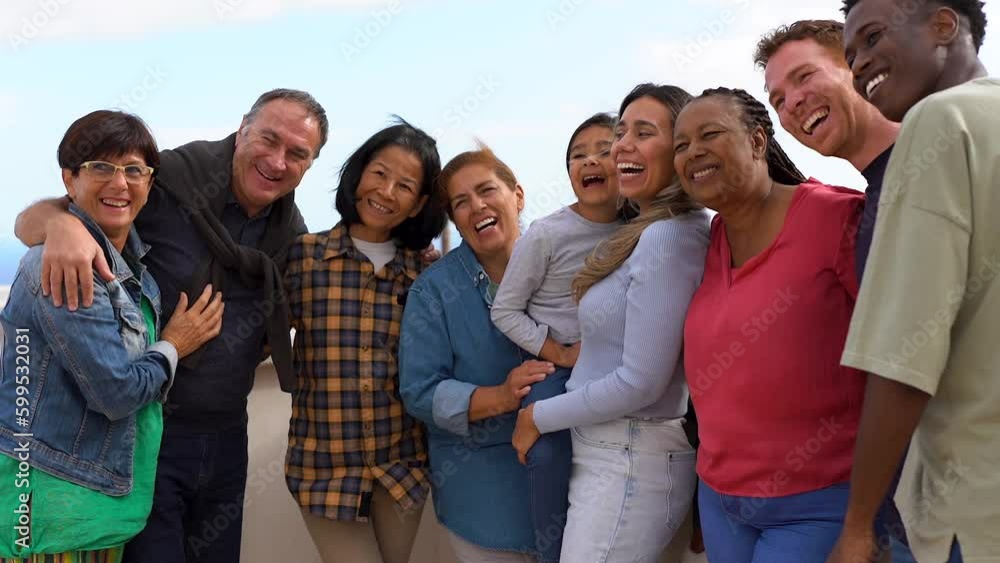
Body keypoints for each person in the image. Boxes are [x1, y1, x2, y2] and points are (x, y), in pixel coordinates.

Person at [13, 89, 328, 563]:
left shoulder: (289, 231)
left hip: (226, 433)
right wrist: (63, 228)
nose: (278, 161)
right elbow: (44, 215)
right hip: (147, 432)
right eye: (268, 138)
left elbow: (297, 302)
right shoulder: (172, 180)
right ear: (243, 130)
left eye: (297, 153)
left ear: (310, 164)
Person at [0, 110, 223, 562]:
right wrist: (174, 344)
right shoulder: (62, 266)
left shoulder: (131, 268)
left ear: (149, 182)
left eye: (134, 170)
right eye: (101, 167)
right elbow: (116, 392)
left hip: (94, 505)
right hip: (52, 505)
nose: (119, 183)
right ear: (69, 179)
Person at [512, 83, 709, 563]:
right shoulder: (649, 231)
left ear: (681, 148)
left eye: (645, 133)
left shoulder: (667, 237)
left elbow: (641, 382)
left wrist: (537, 415)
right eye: (621, 132)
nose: (622, 146)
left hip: (629, 460)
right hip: (612, 453)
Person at [829, 1, 996, 562]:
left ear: (945, 26)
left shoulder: (940, 122)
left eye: (873, 38)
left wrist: (856, 528)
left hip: (969, 514)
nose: (859, 65)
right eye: (851, 55)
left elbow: (904, 355)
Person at [672, 87, 866, 562]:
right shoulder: (708, 239)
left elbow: (908, 346)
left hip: (820, 500)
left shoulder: (836, 215)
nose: (693, 151)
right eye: (680, 145)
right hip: (720, 501)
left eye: (710, 134)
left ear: (758, 141)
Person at [755, 20, 915, 562]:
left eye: (805, 77)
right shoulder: (870, 204)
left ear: (857, 68)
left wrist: (856, 524)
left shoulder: (934, 163)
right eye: (778, 98)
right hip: (915, 510)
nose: (793, 103)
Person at [283, 119, 447, 563]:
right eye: (379, 173)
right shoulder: (303, 257)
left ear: (419, 204)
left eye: (405, 184)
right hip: (323, 468)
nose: (387, 190)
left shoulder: (427, 274)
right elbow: (264, 335)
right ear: (357, 175)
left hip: (404, 469)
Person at [400, 145, 555, 562]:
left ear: (517, 195)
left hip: (576, 481)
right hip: (484, 497)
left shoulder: (564, 263)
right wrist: (501, 396)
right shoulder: (432, 291)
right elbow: (420, 391)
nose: (477, 207)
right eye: (460, 202)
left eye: (487, 190)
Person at [489, 112, 621, 562]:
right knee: (546, 457)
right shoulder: (547, 233)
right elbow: (504, 309)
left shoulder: (641, 227)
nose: (590, 161)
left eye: (605, 150)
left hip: (616, 368)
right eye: (578, 155)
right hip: (559, 367)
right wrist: (559, 353)